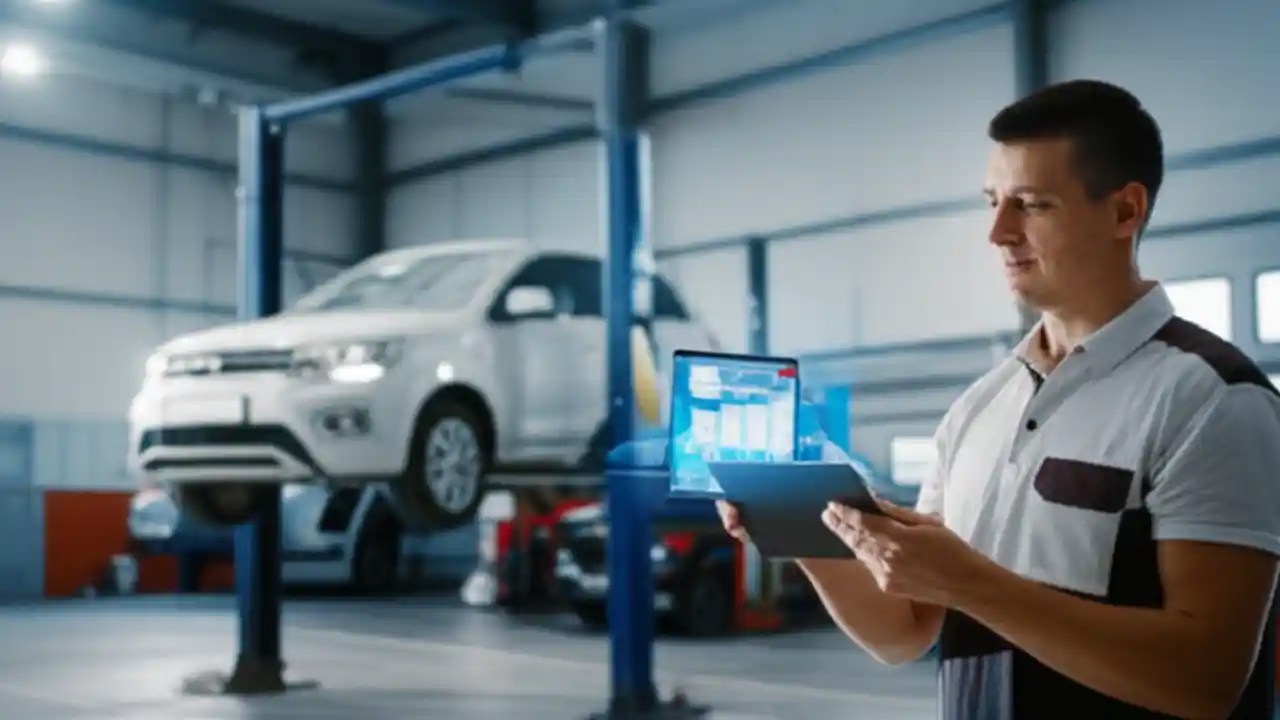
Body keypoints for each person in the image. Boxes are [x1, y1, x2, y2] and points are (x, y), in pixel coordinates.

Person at [718, 79, 1280, 719]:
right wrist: (810, 538)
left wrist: (968, 580)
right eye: (992, 202)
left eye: (1032, 205)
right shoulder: (979, 408)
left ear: (1125, 212)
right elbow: (906, 631)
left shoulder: (1213, 399)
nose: (997, 232)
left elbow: (1207, 680)